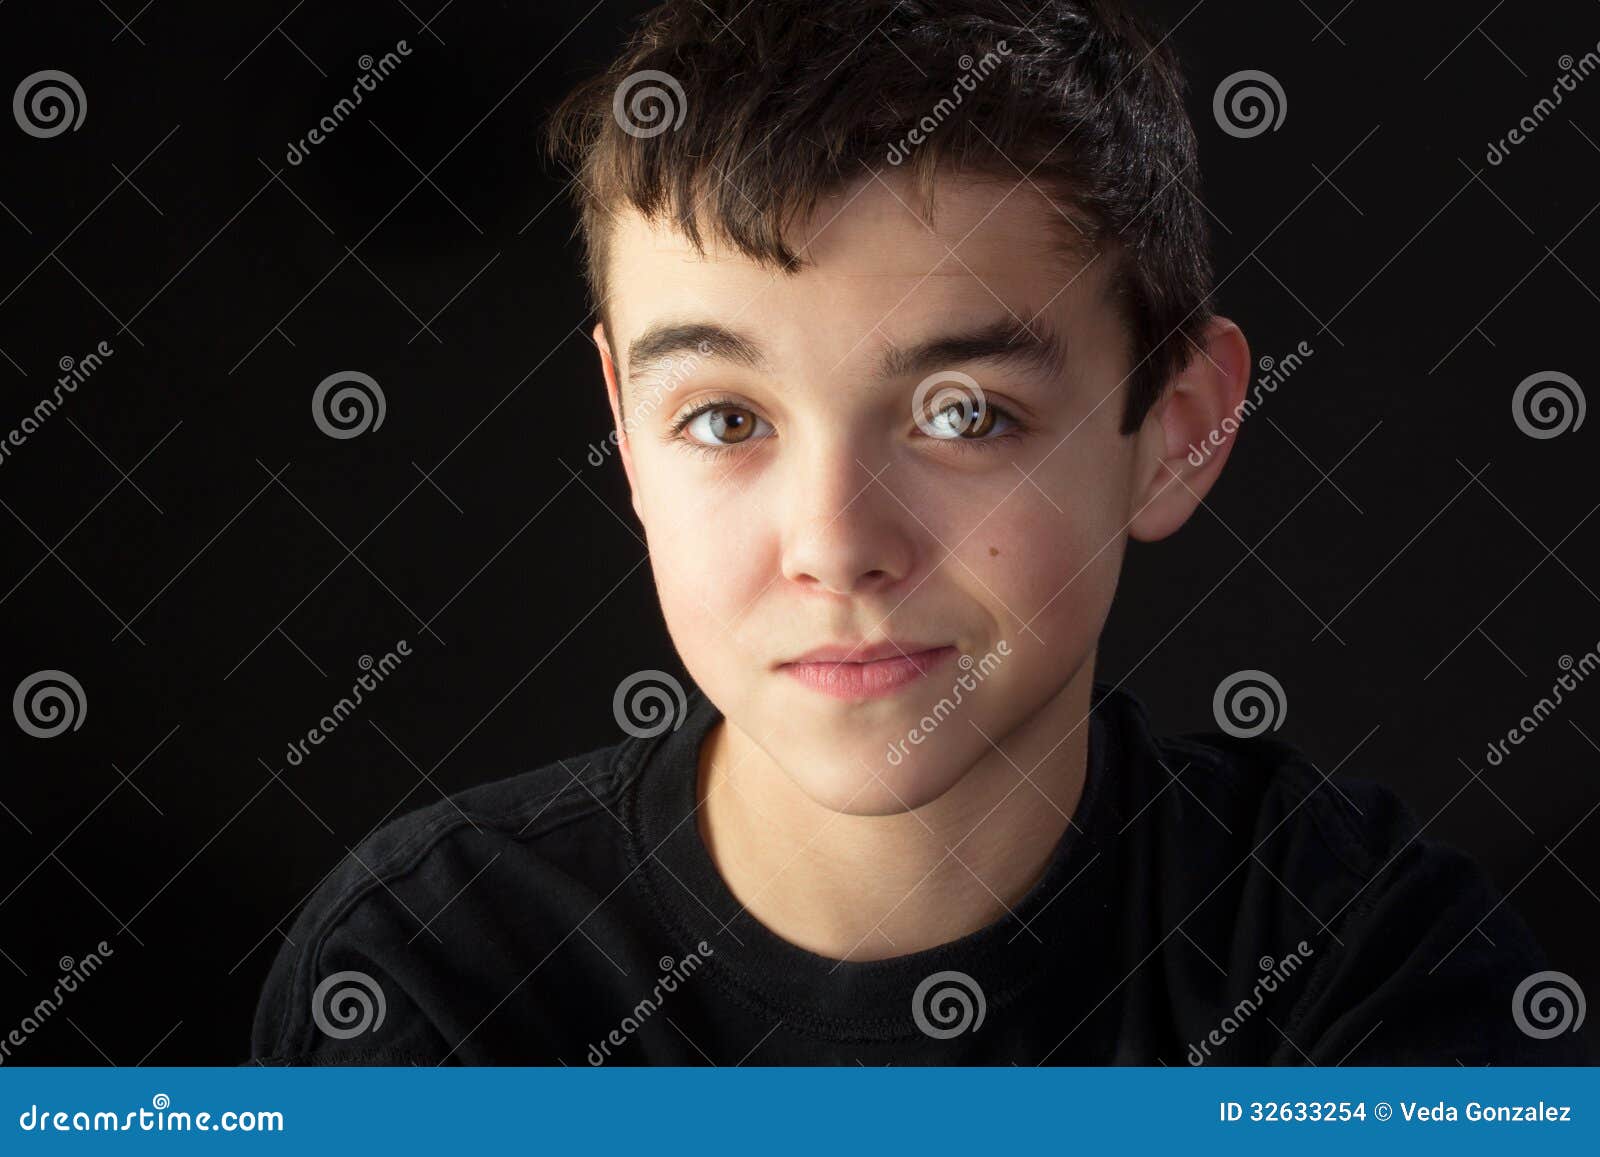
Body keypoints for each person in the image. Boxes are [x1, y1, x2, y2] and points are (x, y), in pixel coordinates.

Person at [248, 0, 1590, 1065]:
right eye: (723, 418)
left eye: (963, 414)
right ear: (626, 430)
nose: (836, 546)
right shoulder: (433, 974)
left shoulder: (1354, 959)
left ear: (1174, 427)